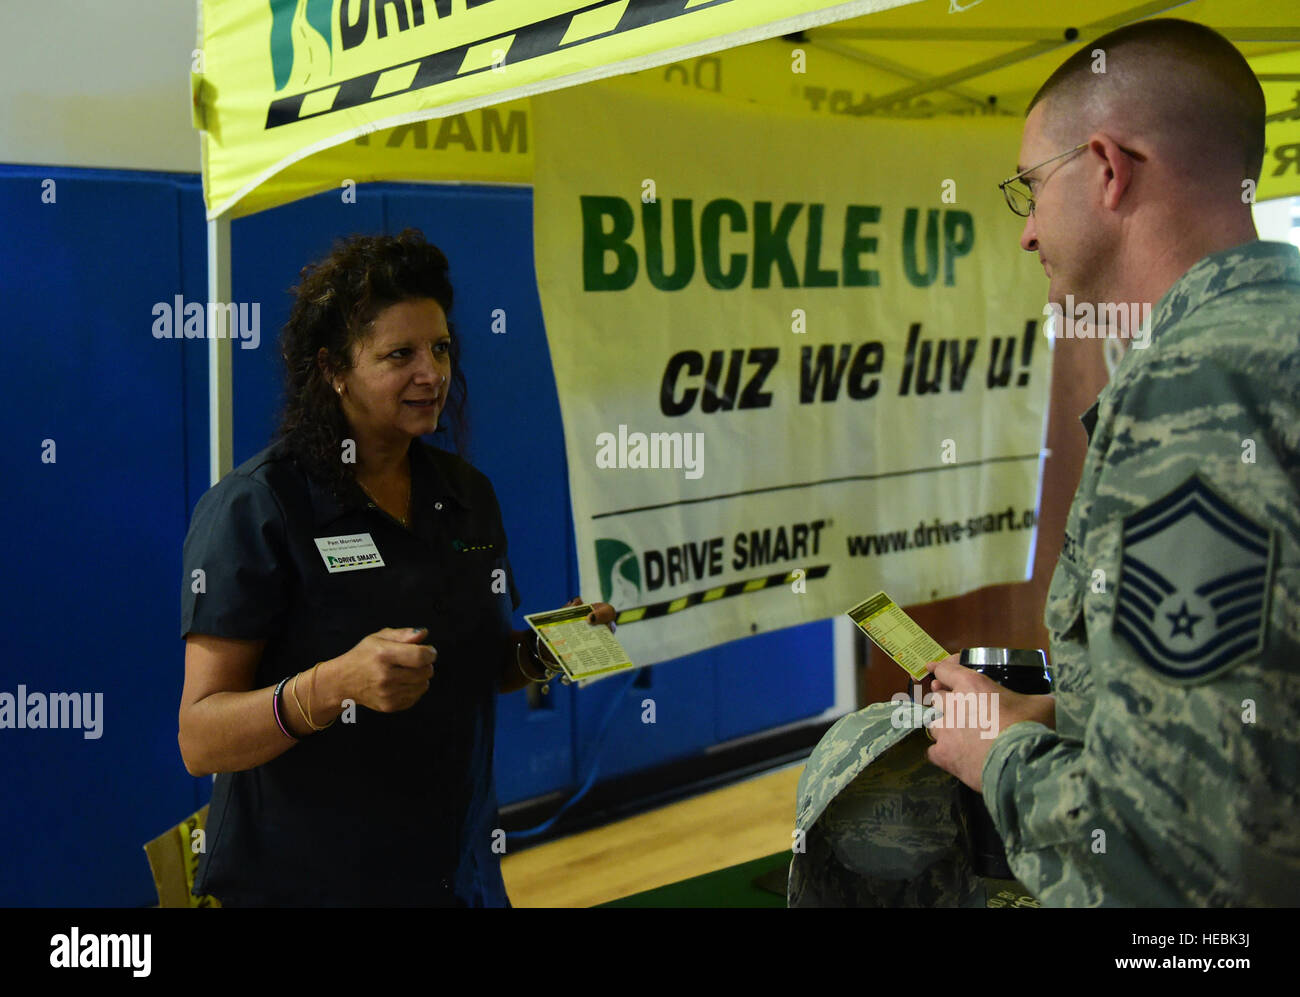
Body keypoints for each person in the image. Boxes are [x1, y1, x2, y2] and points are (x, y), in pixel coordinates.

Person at [923, 19, 1300, 905]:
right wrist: (1074, 714)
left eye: (1030, 189)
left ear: (1106, 168)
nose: (1025, 234)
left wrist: (999, 754)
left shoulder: (1194, 391)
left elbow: (1189, 848)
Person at [177, 229, 614, 907]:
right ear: (333, 369)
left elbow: (476, 663)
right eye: (399, 354)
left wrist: (545, 649)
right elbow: (200, 737)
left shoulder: (466, 494)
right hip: (303, 885)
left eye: (440, 348)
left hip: (453, 875)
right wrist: (331, 685)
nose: (431, 373)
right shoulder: (259, 507)